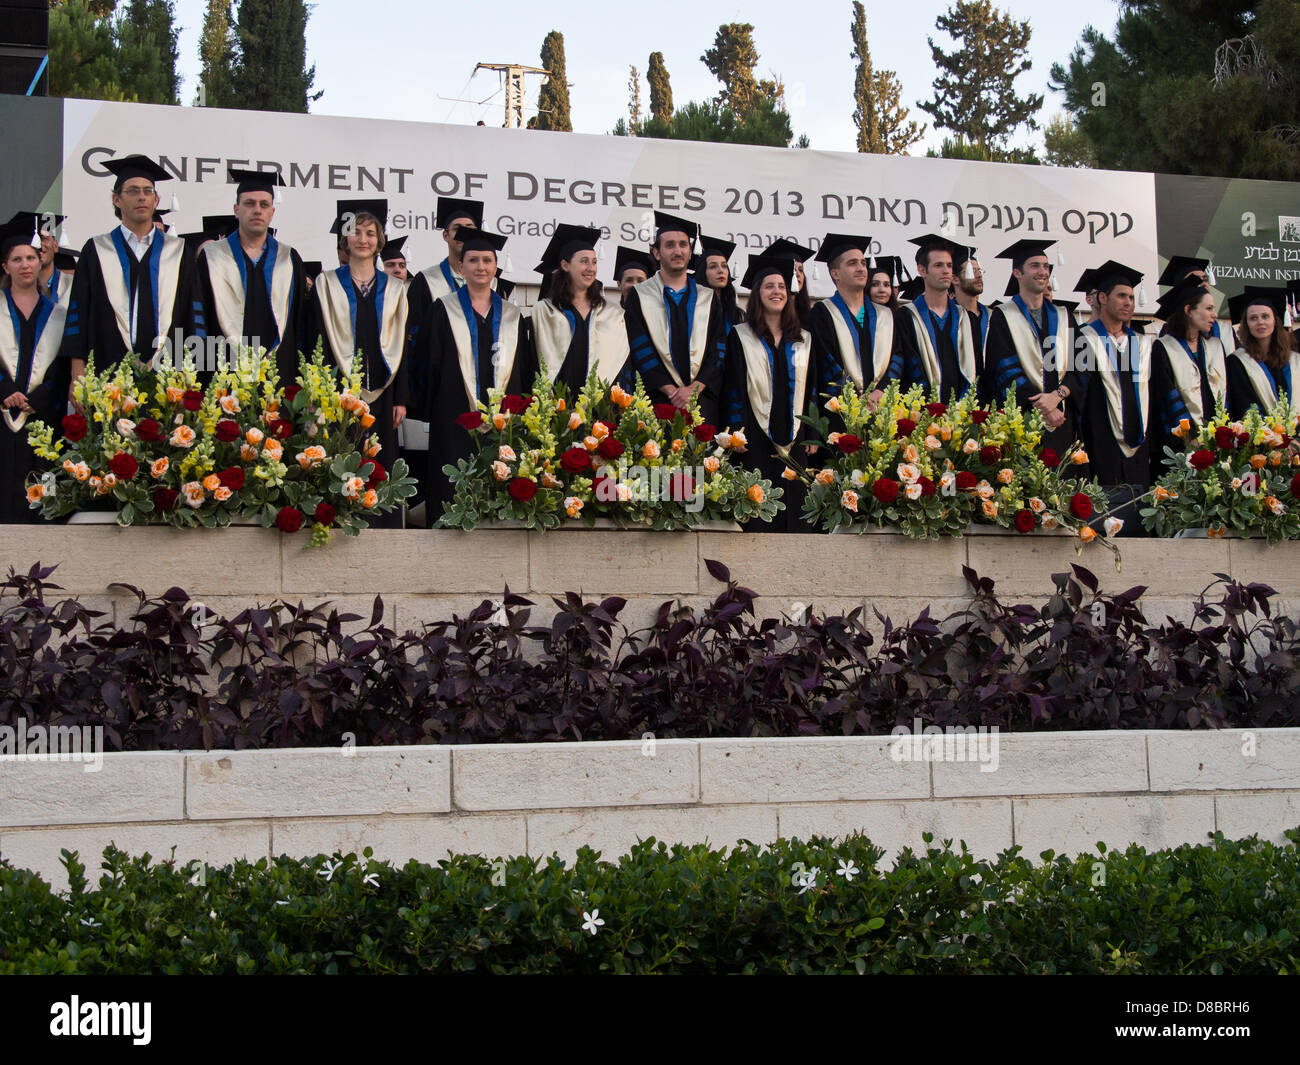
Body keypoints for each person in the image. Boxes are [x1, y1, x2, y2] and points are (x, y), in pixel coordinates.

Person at [308, 203, 410, 528]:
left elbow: (402, 346)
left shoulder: (395, 289)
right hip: (337, 392)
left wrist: (401, 398)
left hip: (383, 391)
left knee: (380, 459)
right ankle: (339, 523)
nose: (363, 239)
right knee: (338, 454)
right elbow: (314, 340)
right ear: (344, 239)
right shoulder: (326, 285)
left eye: (370, 233)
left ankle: (384, 528)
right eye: (355, 232)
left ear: (379, 240)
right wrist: (318, 390)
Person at [423, 229, 535, 517]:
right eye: (473, 260)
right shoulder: (443, 310)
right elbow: (431, 362)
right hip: (454, 411)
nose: (481, 266)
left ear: (495, 266)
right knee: (452, 474)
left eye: (487, 260)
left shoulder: (512, 315)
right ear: (461, 267)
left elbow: (521, 369)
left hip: (504, 416)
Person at [60, 154, 192, 397]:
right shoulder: (97, 249)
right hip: (106, 371)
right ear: (117, 199)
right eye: (132, 191)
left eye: (147, 191)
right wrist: (77, 374)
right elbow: (79, 311)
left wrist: (188, 372)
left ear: (156, 200)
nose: (141, 196)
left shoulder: (179, 251)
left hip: (167, 377)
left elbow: (190, 315)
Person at [721, 255, 817, 533]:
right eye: (769, 286)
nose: (777, 292)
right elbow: (733, 387)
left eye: (781, 287)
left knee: (797, 501)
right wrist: (736, 431)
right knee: (758, 504)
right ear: (757, 294)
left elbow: (810, 386)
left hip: (795, 432)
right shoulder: (741, 335)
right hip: (754, 432)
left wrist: (811, 431)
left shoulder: (803, 339)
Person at [190, 168, 305, 384]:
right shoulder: (213, 257)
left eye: (264, 204)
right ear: (236, 209)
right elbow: (198, 320)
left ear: (272, 212)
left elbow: (300, 322)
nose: (257, 210)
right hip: (223, 373)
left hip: (278, 374)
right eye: (249, 203)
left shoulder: (288, 259)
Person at [621, 211, 726, 425]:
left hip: (701, 401)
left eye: (683, 245)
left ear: (690, 252)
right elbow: (639, 348)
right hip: (658, 400)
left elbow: (719, 349)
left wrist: (694, 389)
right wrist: (671, 391)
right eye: (669, 245)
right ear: (656, 253)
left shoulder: (708, 298)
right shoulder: (640, 295)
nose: (677, 251)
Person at [983, 239, 1083, 456]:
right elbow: (1004, 369)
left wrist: (1057, 396)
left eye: (1046, 266)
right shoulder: (1004, 316)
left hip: (1062, 421)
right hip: (1023, 421)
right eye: (1035, 265)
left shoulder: (1064, 316)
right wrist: (1044, 406)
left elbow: (1082, 365)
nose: (1043, 271)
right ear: (1017, 273)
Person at [0, 221, 67, 523]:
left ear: (40, 260)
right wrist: (4, 391)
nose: (25, 265)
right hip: (1, 416)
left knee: (44, 491)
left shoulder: (59, 314)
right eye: (17, 259)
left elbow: (64, 367)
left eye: (30, 258)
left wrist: (39, 397)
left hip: (43, 419)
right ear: (5, 266)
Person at [1078, 261, 1152, 530]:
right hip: (1100, 443)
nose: (1128, 302)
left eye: (1131, 297)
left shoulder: (1141, 343)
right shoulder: (1082, 339)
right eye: (1121, 296)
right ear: (1102, 298)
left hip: (1139, 448)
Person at [1148, 276, 1228, 480]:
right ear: (1188, 310)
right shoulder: (1164, 347)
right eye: (1208, 308)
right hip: (1181, 444)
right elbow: (1167, 396)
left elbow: (1225, 393)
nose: (1214, 314)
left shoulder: (1215, 346)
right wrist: (1190, 435)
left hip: (1216, 441)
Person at [531, 224, 628, 392]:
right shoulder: (545, 311)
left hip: (600, 406)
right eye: (584, 261)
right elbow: (533, 362)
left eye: (594, 262)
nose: (590, 268)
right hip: (557, 406)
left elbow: (620, 363)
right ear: (565, 265)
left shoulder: (612, 313)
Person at [808, 233, 896, 410]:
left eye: (863, 263)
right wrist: (854, 397)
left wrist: (882, 390)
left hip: (883, 407)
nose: (861, 268)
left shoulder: (885, 315)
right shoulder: (823, 312)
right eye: (852, 263)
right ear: (835, 273)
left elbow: (898, 357)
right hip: (843, 410)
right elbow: (826, 361)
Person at [894, 234, 977, 401]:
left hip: (963, 413)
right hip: (921, 412)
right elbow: (905, 369)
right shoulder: (906, 317)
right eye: (938, 265)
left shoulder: (966, 318)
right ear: (922, 270)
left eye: (949, 265)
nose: (946, 270)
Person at [1226, 288, 1300, 419]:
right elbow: (1244, 403)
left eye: (1265, 316)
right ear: (1247, 324)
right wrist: (1273, 435)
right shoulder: (1237, 361)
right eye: (1253, 318)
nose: (1260, 322)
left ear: (1275, 321)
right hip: (1260, 434)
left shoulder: (1295, 360)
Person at [1157, 256, 1231, 345]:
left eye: (1205, 279)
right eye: (1196, 279)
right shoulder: (1169, 331)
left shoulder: (1225, 330)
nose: (1203, 283)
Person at [950, 246, 990, 382]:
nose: (979, 275)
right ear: (954, 279)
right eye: (971, 271)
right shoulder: (948, 318)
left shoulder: (992, 317)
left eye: (979, 270)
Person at [694, 235, 744, 333]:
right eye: (713, 267)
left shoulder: (736, 314)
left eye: (724, 266)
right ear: (702, 273)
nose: (721, 271)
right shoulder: (694, 309)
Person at [760, 238, 814, 328]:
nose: (797, 274)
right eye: (792, 269)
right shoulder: (765, 317)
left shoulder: (811, 318)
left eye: (801, 270)